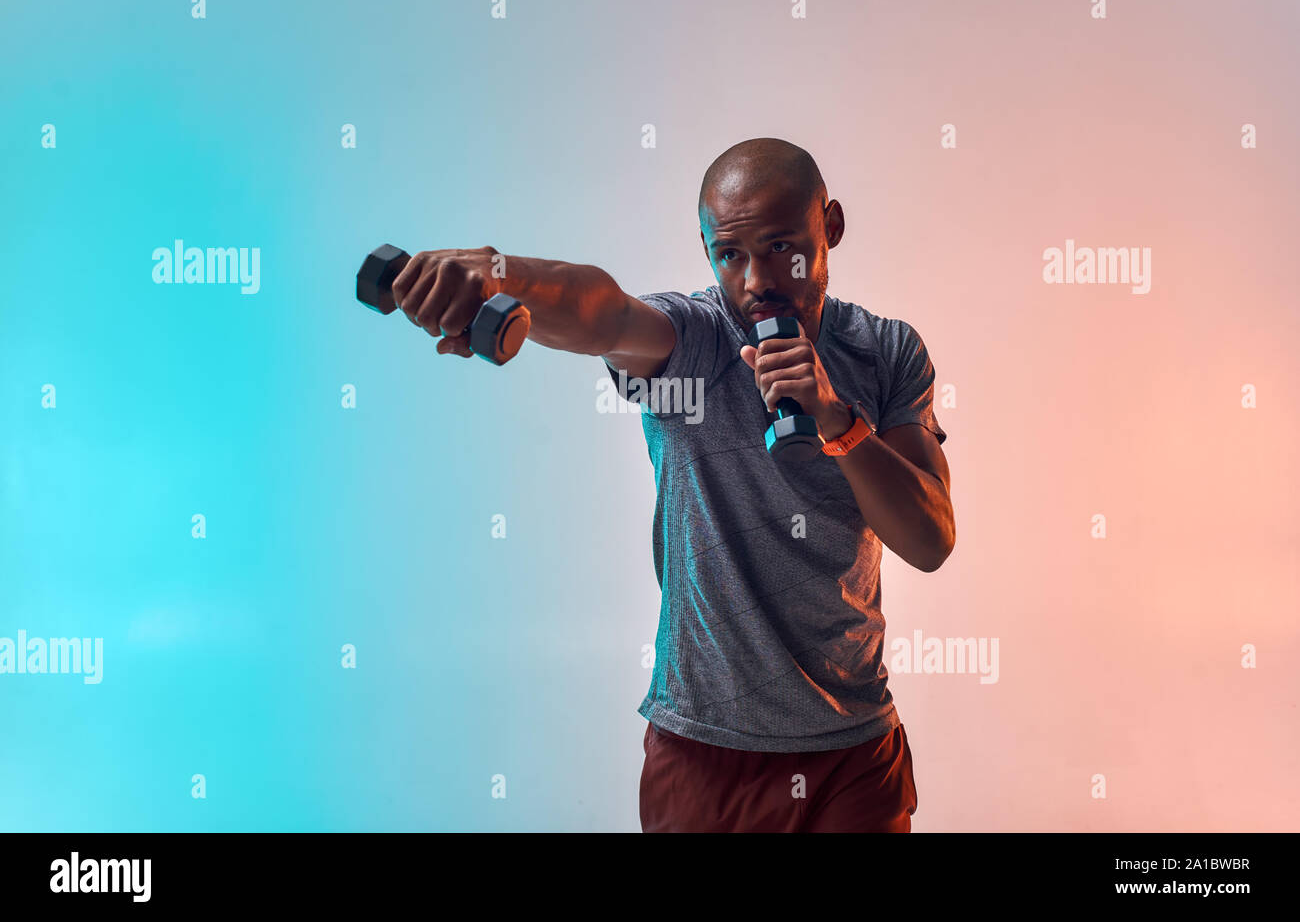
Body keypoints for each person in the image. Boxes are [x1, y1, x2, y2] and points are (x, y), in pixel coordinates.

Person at [388, 137, 955, 832]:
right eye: (731, 255)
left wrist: (838, 419)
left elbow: (929, 539)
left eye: (782, 247)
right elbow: (604, 311)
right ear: (707, 249)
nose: (756, 281)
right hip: (701, 752)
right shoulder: (696, 340)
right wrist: (504, 275)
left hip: (851, 753)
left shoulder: (888, 350)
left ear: (829, 227)